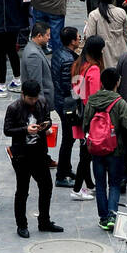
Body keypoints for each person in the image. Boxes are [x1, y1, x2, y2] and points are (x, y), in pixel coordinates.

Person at [83, 66, 127, 230]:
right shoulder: (119, 102)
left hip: (96, 149)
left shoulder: (92, 100)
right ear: (117, 82)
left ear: (101, 82)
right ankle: (112, 216)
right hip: (115, 149)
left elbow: (85, 124)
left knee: (100, 184)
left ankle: (103, 217)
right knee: (114, 184)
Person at [3, 78, 64, 238]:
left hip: (39, 153)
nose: (33, 101)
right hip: (22, 155)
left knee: (46, 187)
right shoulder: (14, 108)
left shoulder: (42, 103)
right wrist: (25, 129)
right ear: (23, 94)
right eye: (30, 98)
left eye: (35, 98)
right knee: (22, 190)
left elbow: (49, 119)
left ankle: (44, 221)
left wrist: (46, 126)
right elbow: (7, 130)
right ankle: (21, 225)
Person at [70, 35, 103, 200]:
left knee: (85, 151)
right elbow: (95, 98)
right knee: (86, 155)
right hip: (89, 118)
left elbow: (76, 92)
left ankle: (89, 185)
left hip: (79, 114)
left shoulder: (77, 64)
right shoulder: (94, 69)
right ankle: (77, 189)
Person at [51, 26, 80, 188]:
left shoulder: (59, 53)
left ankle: (66, 168)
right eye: (77, 37)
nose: (79, 39)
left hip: (60, 101)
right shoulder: (69, 60)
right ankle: (62, 173)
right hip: (66, 103)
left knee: (69, 138)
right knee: (68, 139)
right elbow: (68, 85)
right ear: (72, 41)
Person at [83, 0, 127, 67]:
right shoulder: (122, 12)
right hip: (121, 50)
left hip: (103, 55)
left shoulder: (94, 15)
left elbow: (90, 37)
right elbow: (126, 35)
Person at [19, 20, 55, 107]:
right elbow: (36, 82)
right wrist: (40, 104)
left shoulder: (35, 48)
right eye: (47, 35)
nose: (49, 37)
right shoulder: (33, 54)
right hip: (40, 102)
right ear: (39, 36)